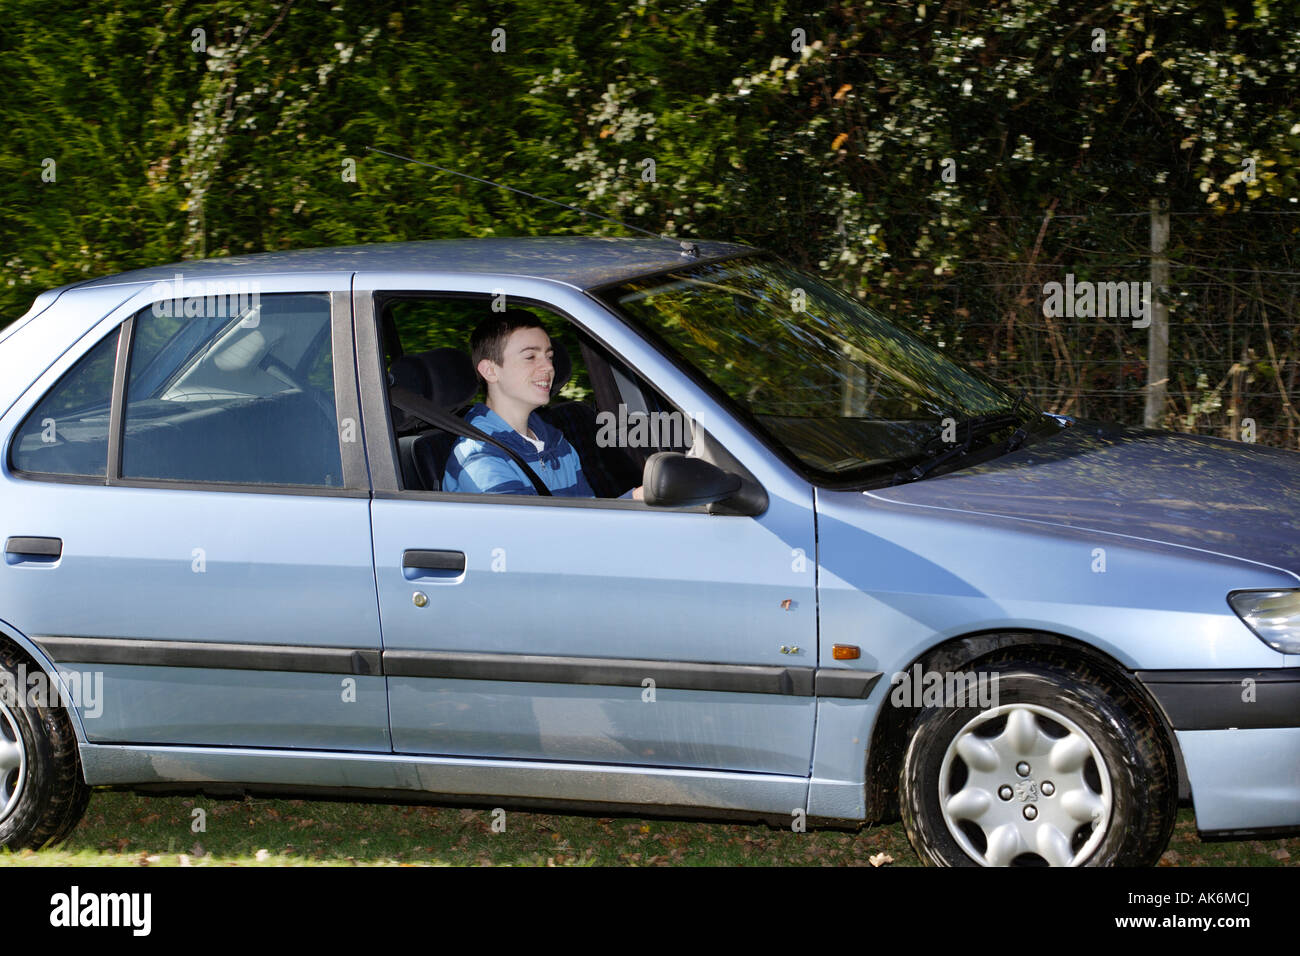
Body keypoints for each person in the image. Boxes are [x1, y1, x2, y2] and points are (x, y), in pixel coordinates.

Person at [442, 310, 644, 499]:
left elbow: (587, 519)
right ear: (490, 371)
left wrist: (637, 499)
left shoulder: (556, 442)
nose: (549, 367)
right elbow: (535, 536)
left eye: (549, 356)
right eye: (530, 357)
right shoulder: (481, 458)